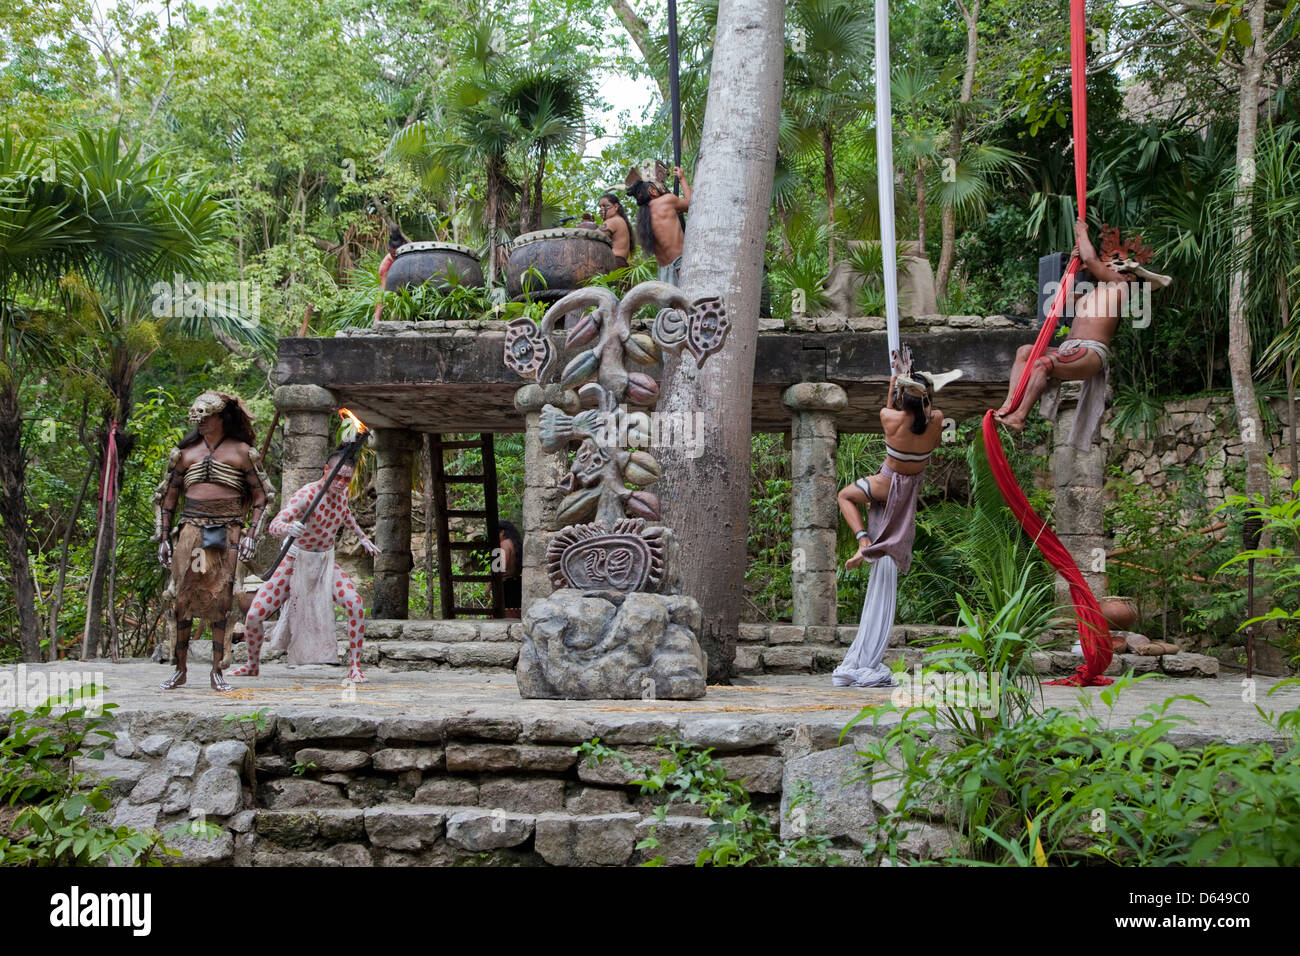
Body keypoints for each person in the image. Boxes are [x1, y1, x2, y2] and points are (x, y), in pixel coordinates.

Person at [994, 219, 1171, 448]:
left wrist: (1082, 232)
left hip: (1090, 352)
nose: (1114, 270)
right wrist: (1073, 266)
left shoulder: (1121, 286)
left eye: (1122, 269)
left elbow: (1091, 259)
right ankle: (1010, 406)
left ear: (1131, 277)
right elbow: (1063, 298)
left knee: (1041, 365)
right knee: (1025, 352)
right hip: (1071, 348)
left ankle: (1019, 418)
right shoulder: (1093, 293)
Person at [832, 366, 955, 687]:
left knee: (845, 495)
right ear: (927, 401)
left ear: (901, 398)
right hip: (910, 486)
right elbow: (927, 408)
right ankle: (874, 544)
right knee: (861, 507)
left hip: (887, 483)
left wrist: (893, 383)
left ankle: (863, 541)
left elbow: (891, 406)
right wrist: (918, 392)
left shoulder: (891, 418)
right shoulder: (937, 421)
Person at [153, 391, 275, 692]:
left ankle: (217, 669)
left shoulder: (243, 452)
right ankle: (179, 669)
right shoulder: (185, 454)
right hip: (191, 530)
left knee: (222, 598)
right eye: (199, 419)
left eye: (207, 418)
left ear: (221, 418)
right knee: (182, 597)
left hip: (227, 531)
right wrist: (164, 538)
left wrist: (251, 535)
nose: (203, 424)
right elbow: (166, 497)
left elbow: (264, 496)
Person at [231, 448, 380, 683]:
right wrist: (288, 528)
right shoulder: (307, 495)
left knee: (355, 603)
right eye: (338, 477)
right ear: (326, 471)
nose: (342, 483)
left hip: (324, 562)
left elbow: (346, 515)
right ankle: (251, 664)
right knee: (255, 614)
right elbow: (275, 524)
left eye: (346, 479)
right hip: (295, 561)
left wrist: (362, 537)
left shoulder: (341, 494)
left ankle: (354, 666)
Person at [627, 163, 691, 286]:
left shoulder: (644, 216)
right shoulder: (666, 200)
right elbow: (691, 204)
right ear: (652, 191)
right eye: (658, 184)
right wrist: (682, 178)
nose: (662, 186)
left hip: (664, 274)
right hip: (681, 266)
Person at [372, 226, 410, 324]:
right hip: (398, 293)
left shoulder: (412, 256)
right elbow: (382, 293)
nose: (395, 257)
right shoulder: (386, 265)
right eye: (393, 255)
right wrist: (376, 318)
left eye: (397, 255)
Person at [596, 193, 635, 269]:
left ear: (616, 207)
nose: (601, 209)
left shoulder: (614, 220)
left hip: (614, 266)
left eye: (604, 206)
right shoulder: (620, 220)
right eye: (600, 206)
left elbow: (593, 235)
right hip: (619, 267)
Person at [497, 520, 523, 619]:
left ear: (502, 532)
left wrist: (489, 586)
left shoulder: (503, 545)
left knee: (505, 618)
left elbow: (498, 568)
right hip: (516, 584)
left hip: (505, 586)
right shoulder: (516, 544)